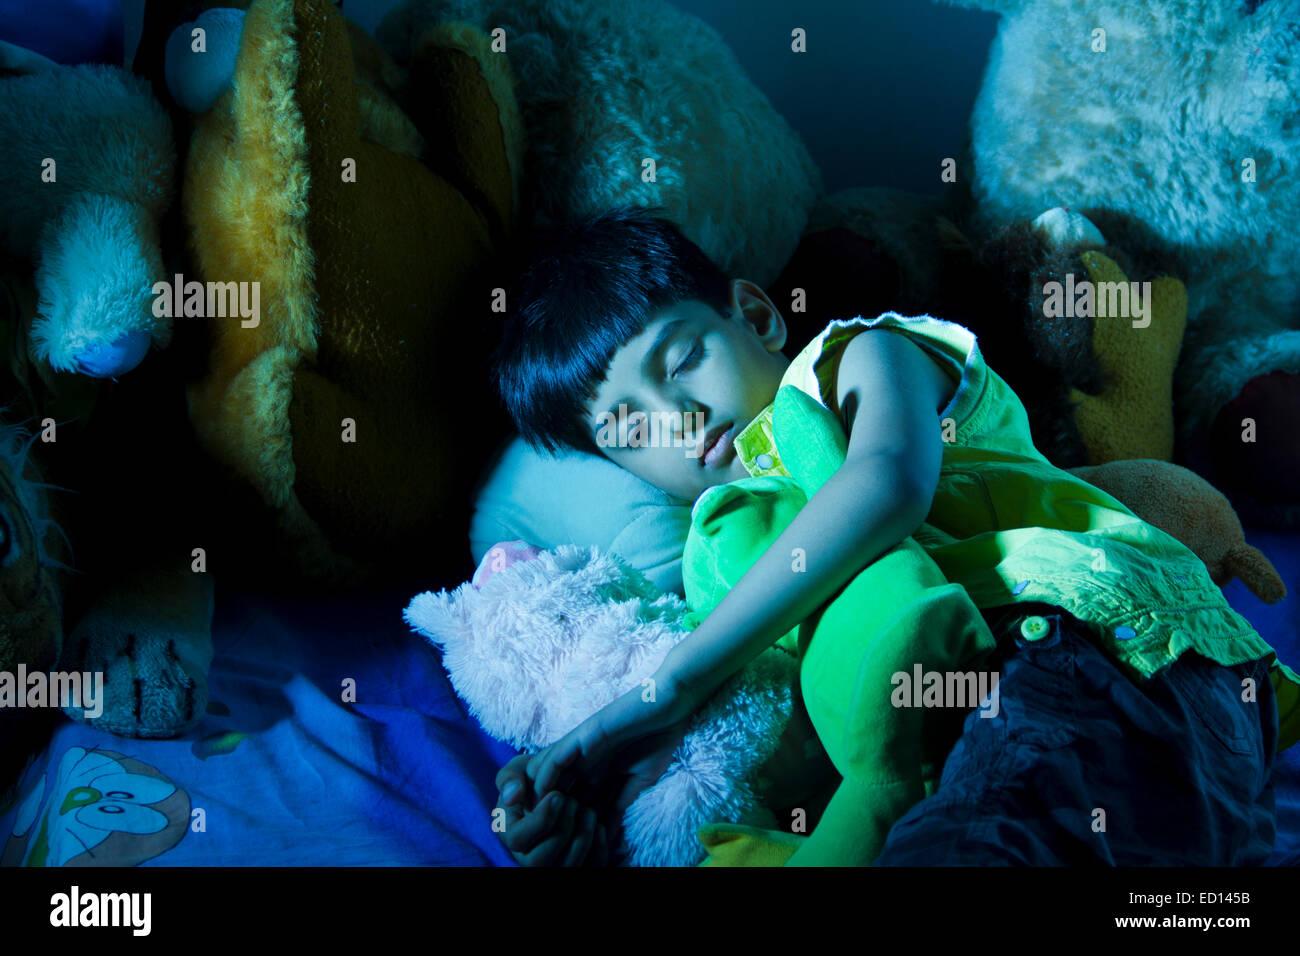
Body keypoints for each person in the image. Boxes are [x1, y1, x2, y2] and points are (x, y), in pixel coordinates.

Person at [489, 205, 1300, 866]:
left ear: (757, 317)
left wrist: (663, 691)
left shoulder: (859, 359)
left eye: (683, 360)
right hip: (1006, 729)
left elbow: (887, 485)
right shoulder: (725, 566)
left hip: (1096, 642)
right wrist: (596, 802)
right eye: (628, 430)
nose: (678, 420)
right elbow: (767, 739)